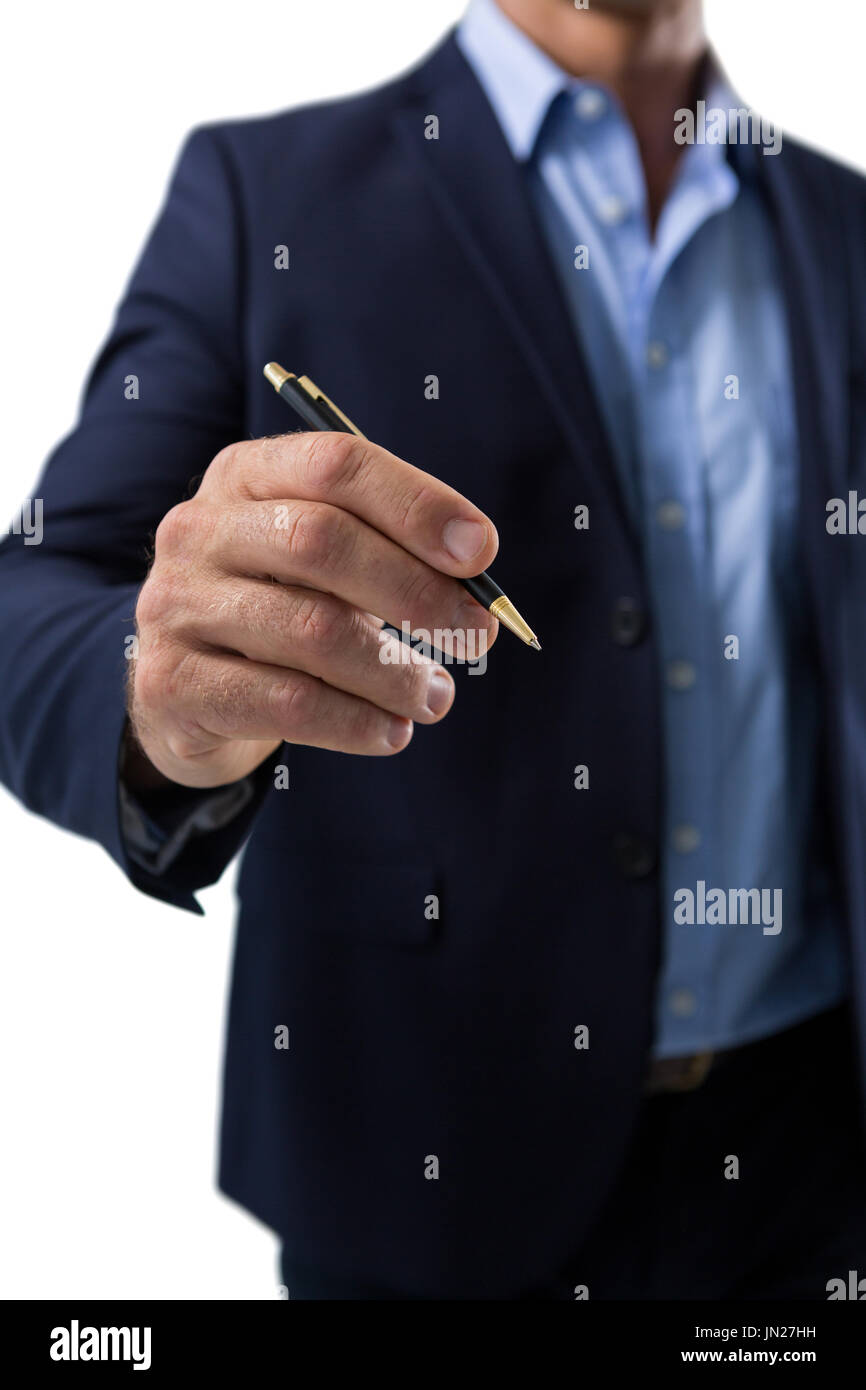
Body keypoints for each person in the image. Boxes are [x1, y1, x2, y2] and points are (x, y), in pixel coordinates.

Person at [1, 0, 865, 1300]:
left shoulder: (841, 224)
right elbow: (36, 596)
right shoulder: (261, 190)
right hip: (427, 1150)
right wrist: (160, 695)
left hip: (809, 1157)